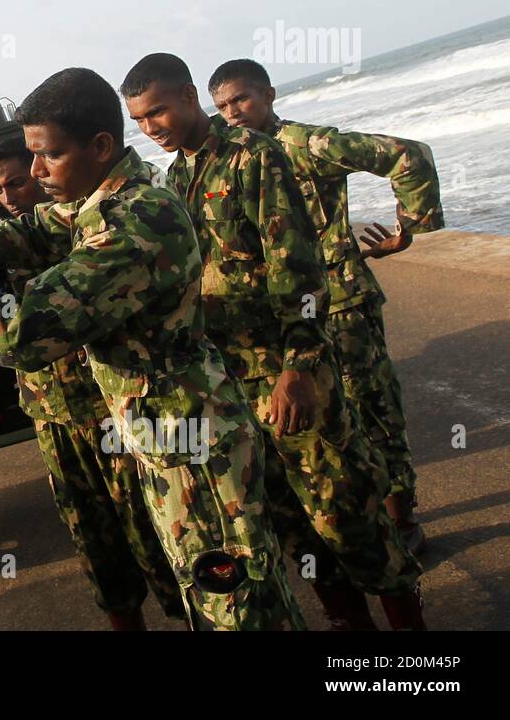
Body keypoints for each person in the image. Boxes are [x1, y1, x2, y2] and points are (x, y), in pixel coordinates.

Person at [0, 69, 302, 631]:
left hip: (193, 450)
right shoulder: (99, 201)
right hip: (167, 439)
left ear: (101, 147)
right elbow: (34, 231)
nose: (34, 172)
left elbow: (21, 336)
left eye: (47, 156)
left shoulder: (135, 221)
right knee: (224, 600)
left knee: (235, 609)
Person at [121, 52, 427, 630]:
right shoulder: (178, 176)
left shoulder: (253, 157)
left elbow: (298, 271)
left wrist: (301, 367)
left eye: (157, 111)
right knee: (293, 528)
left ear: (188, 96)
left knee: (349, 516)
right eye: (138, 120)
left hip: (291, 377)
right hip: (235, 387)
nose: (150, 127)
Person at [0, 101, 184, 630]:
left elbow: (20, 331)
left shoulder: (90, 222)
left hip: (112, 412)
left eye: (25, 178)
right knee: (98, 552)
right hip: (53, 414)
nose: (16, 192)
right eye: (0, 189)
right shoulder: (40, 223)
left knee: (157, 541)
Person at [207, 58, 444, 554]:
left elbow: (405, 154)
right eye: (223, 106)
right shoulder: (230, 161)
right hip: (287, 320)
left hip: (341, 305)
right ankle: (356, 524)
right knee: (324, 426)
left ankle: (403, 521)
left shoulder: (306, 145)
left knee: (374, 410)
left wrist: (409, 228)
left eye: (241, 99)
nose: (233, 113)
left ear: (268, 95)